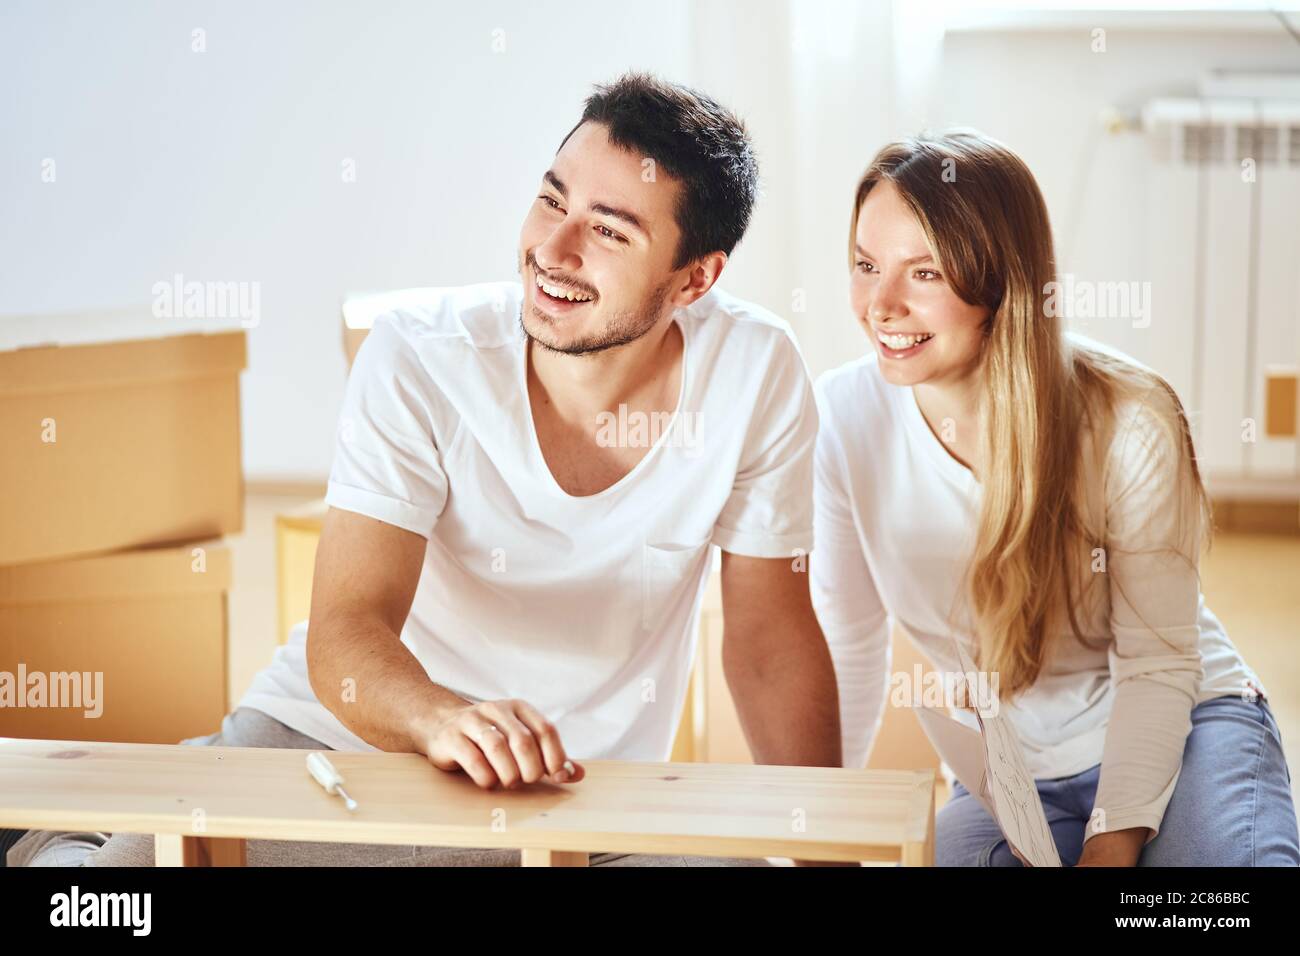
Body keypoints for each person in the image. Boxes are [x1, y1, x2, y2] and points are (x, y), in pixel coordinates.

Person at [10, 73, 843, 868]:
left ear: (694, 278)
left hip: (580, 799)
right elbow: (347, 629)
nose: (551, 248)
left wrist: (828, 848)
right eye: (552, 199)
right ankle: (73, 838)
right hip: (339, 750)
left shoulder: (755, 369)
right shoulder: (420, 354)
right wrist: (446, 720)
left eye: (608, 230)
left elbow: (770, 643)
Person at [810, 130, 1300, 866]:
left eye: (925, 273)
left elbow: (1157, 665)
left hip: (1185, 720)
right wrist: (821, 835)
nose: (879, 305)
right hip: (1008, 772)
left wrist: (1112, 842)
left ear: (999, 285)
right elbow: (849, 648)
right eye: (865, 265)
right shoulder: (844, 419)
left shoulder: (1129, 417)